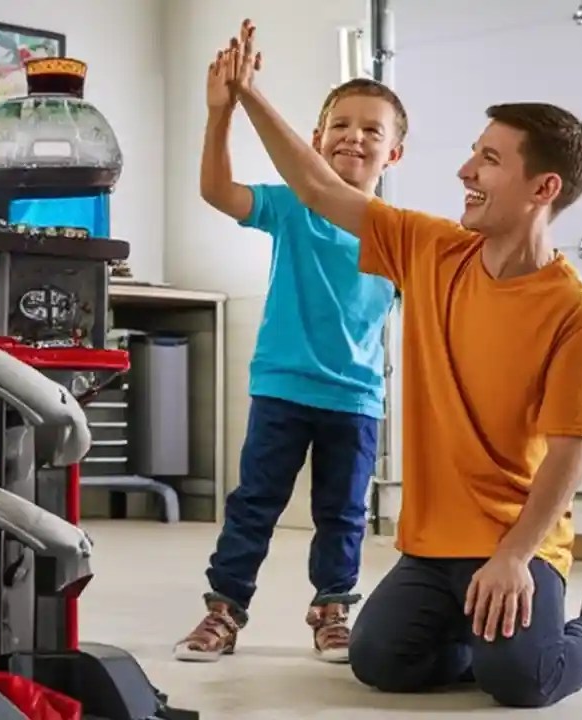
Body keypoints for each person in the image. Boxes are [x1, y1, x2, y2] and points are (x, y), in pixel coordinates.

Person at [214, 19, 582, 708]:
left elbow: (569, 453)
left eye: (490, 160)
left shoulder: (574, 311)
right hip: (435, 545)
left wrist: (512, 558)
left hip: (518, 544)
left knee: (522, 682)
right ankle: (489, 634)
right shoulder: (430, 248)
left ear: (543, 188)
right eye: (474, 153)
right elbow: (320, 190)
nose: (465, 171)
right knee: (380, 661)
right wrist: (248, 94)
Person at [173, 47, 408, 664]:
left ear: (394, 153)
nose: (353, 137)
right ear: (316, 138)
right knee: (253, 504)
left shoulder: (399, 232)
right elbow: (216, 189)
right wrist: (220, 112)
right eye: (340, 125)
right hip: (281, 387)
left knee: (343, 513)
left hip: (355, 399)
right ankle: (223, 611)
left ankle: (332, 611)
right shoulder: (290, 205)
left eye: (371, 130)